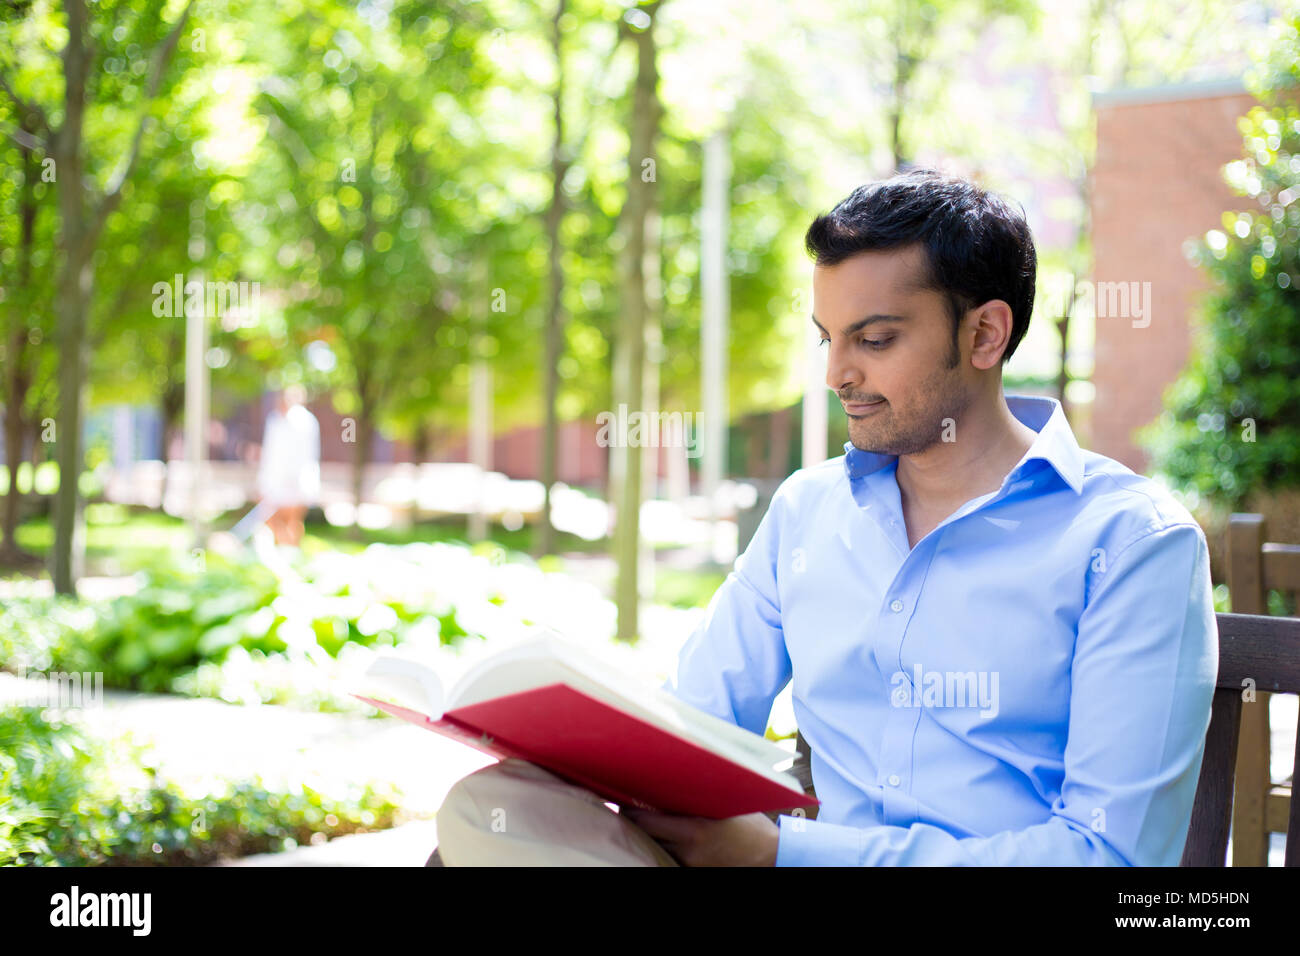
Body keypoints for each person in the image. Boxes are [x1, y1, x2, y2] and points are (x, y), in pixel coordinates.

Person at [435, 169, 1218, 866]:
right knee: (492, 808)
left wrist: (786, 855)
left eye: (874, 339)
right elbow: (695, 720)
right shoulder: (810, 512)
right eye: (828, 339)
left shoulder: (1132, 542)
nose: (838, 374)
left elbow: (1113, 856)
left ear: (985, 333)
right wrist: (568, 743)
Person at [256, 384, 320, 548]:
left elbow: (306, 455)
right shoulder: (275, 421)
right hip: (276, 480)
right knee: (272, 518)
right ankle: (283, 548)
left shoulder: (304, 422)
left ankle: (291, 549)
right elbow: (270, 454)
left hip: (295, 481)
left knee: (293, 520)